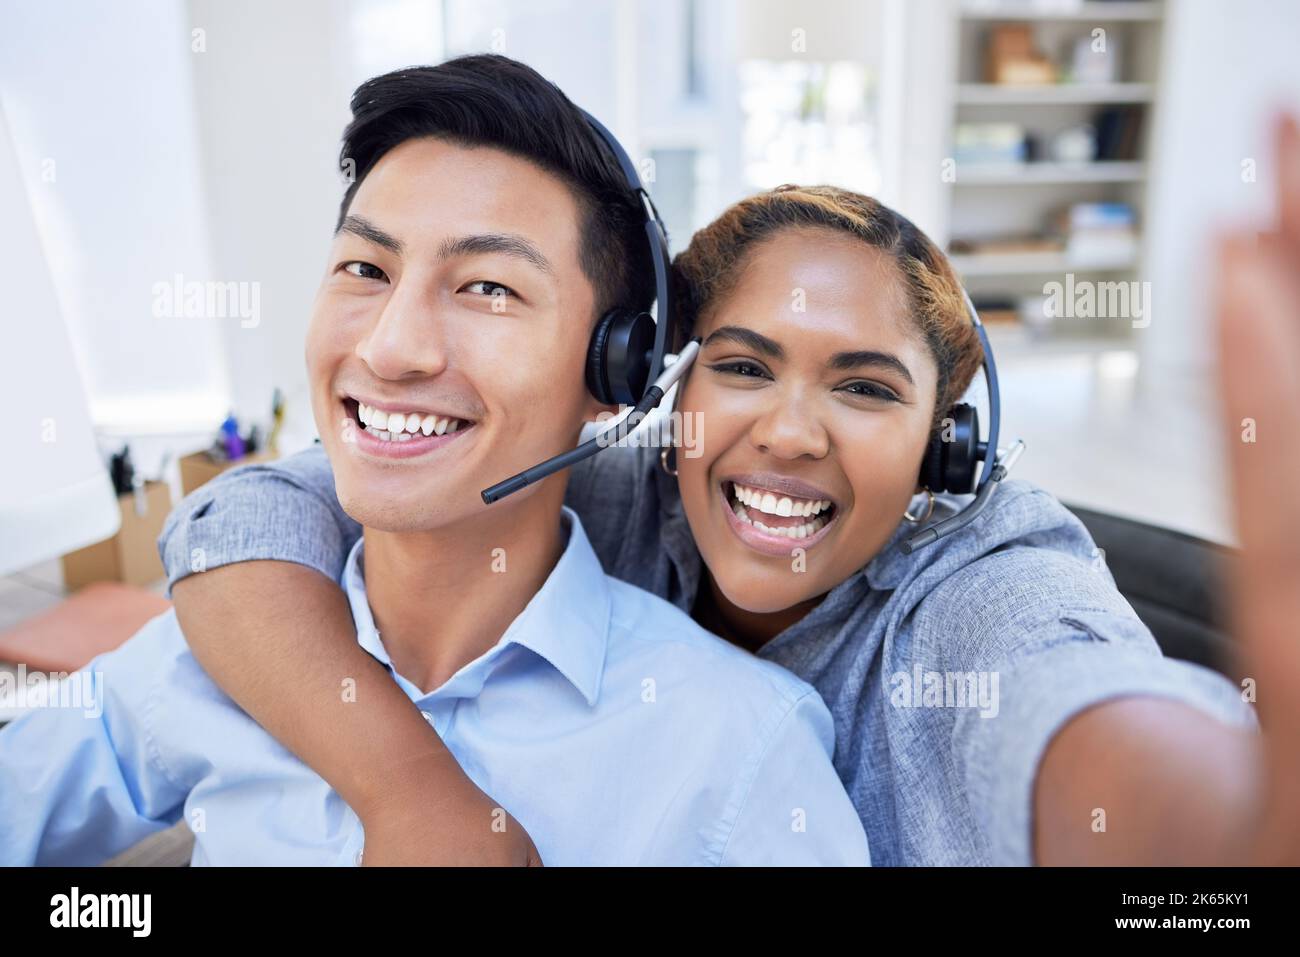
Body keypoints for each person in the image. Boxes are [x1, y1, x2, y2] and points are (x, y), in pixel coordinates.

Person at [159, 90, 1300, 866]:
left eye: (863, 389)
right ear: (659, 389)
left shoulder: (983, 594)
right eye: (744, 367)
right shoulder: (619, 486)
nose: (790, 434)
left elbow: (1085, 720)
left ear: (942, 450)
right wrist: (414, 794)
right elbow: (252, 515)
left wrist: (1246, 828)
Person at [0, 55, 871, 867]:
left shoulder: (740, 751)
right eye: (365, 269)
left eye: (488, 287)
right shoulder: (201, 656)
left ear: (618, 372)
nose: (392, 347)